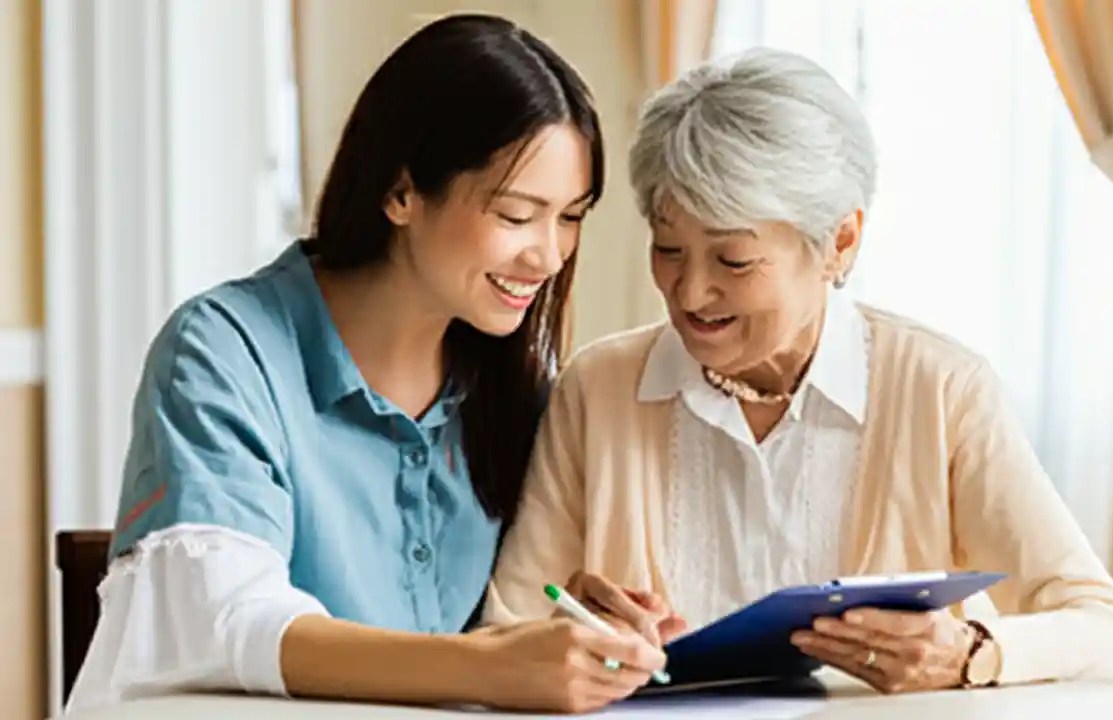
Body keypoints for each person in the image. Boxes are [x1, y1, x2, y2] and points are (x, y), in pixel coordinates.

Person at [485, 48, 1113, 693]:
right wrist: (569, 635)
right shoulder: (598, 389)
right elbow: (503, 633)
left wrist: (971, 653)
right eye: (668, 251)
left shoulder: (940, 390)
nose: (689, 293)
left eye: (733, 262)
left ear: (840, 242)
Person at [67, 14, 668, 714]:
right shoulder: (223, 353)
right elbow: (225, 622)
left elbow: (509, 620)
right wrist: (483, 667)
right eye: (515, 215)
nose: (549, 255)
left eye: (570, 217)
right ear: (402, 192)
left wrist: (571, 627)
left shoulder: (512, 389)